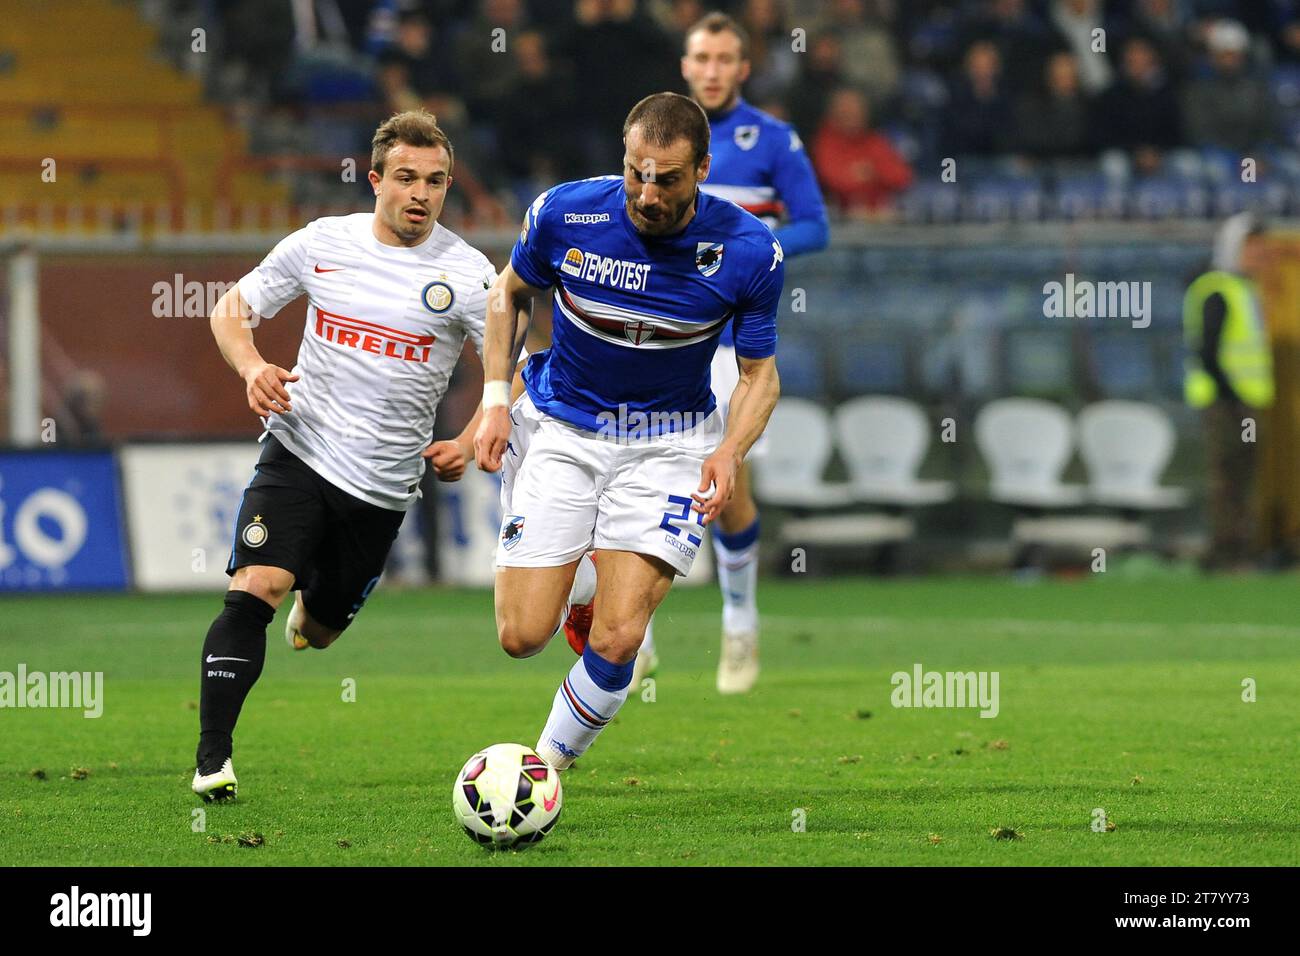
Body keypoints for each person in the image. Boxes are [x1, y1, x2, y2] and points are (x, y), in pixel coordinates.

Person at [472, 92, 784, 770]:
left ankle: (544, 769)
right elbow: (508, 293)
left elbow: (761, 374)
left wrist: (731, 451)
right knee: (521, 635)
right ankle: (583, 584)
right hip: (562, 428)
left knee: (619, 638)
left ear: (702, 168)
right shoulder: (565, 213)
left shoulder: (748, 251)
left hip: (670, 444)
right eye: (635, 172)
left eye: (666, 178)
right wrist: (496, 397)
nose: (646, 193)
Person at [191, 110, 494, 801]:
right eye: (408, 178)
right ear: (375, 177)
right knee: (256, 588)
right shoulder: (323, 243)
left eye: (437, 181)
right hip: (298, 450)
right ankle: (213, 759)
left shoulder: (469, 273)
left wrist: (472, 437)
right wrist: (251, 368)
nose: (421, 193)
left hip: (382, 492)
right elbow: (229, 309)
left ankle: (319, 610)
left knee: (321, 633)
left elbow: (517, 367)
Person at [675, 10, 828, 692]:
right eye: (701, 57)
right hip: (656, 332)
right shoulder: (660, 132)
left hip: (731, 341)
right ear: (686, 64)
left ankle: (740, 622)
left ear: (743, 67)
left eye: (724, 58)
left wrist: (740, 252)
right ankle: (630, 633)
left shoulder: (771, 139)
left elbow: (817, 228)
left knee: (723, 480)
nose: (711, 69)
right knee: (629, 464)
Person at [1184, 212, 1275, 570]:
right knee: (1227, 481)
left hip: (1246, 402)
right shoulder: (1217, 288)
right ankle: (1224, 555)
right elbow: (1207, 350)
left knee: (1242, 480)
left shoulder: (1243, 288)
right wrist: (1233, 396)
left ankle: (1239, 552)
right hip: (1226, 406)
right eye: (1254, 247)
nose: (1261, 254)